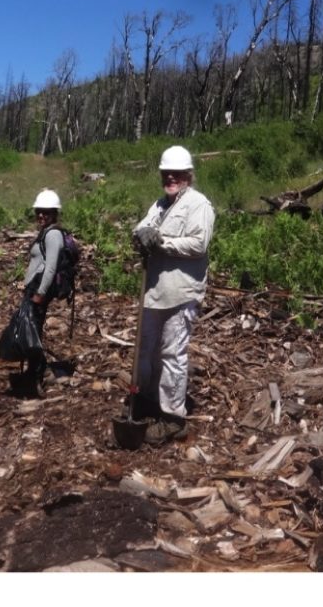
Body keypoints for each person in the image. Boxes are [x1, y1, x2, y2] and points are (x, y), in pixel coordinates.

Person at [131, 146, 215, 445]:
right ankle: (147, 399)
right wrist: (140, 235)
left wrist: (161, 242)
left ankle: (172, 418)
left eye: (176, 173)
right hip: (155, 291)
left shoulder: (198, 204)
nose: (170, 178)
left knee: (172, 354)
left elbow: (199, 244)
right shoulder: (159, 205)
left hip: (181, 292)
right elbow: (141, 229)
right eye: (166, 173)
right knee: (147, 350)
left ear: (188, 176)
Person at [13, 188, 65, 398]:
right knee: (31, 332)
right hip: (33, 288)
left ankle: (36, 377)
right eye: (38, 212)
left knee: (31, 335)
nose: (41, 215)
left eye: (46, 212)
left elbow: (50, 267)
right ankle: (36, 373)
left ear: (54, 213)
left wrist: (40, 293)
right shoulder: (46, 232)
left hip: (38, 291)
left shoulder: (53, 235)